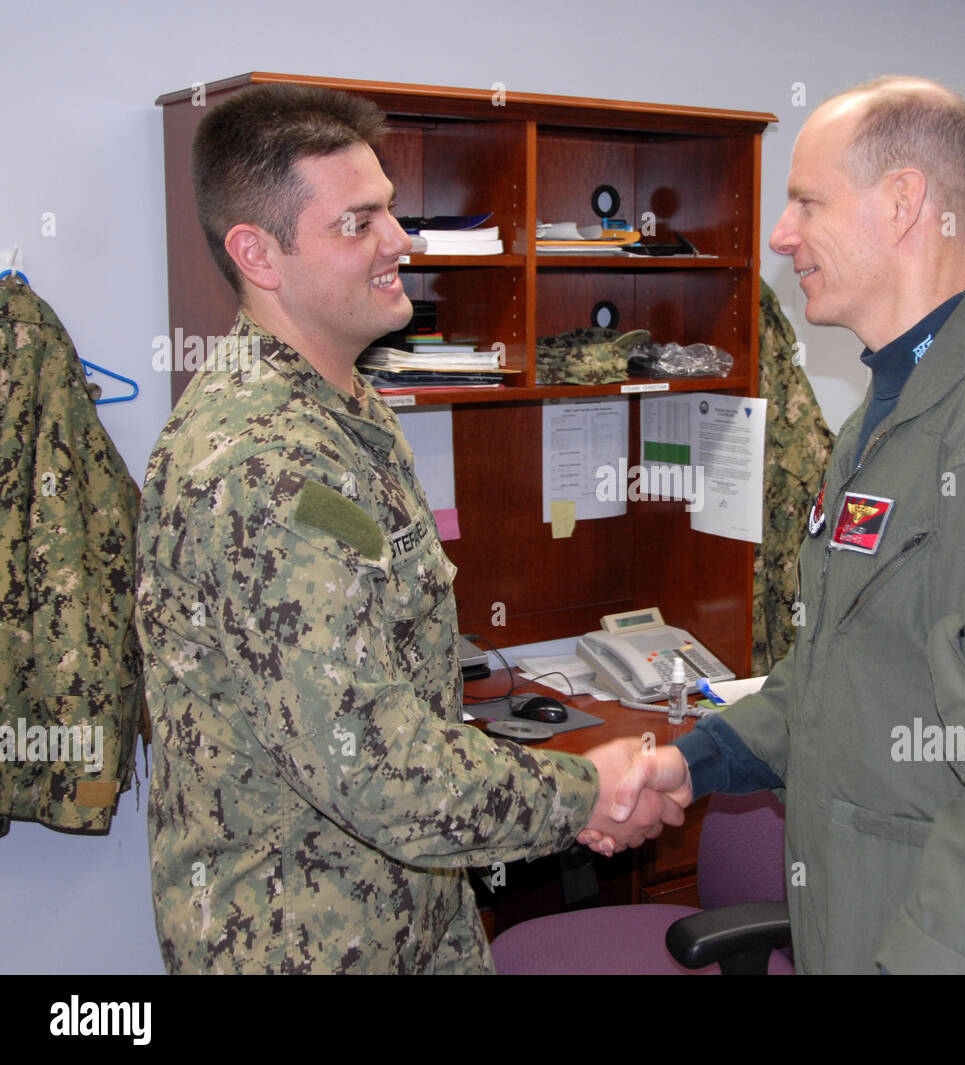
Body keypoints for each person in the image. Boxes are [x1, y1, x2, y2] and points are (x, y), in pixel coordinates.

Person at [582, 76, 965, 973]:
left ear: (904, 203)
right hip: (857, 921)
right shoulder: (883, 418)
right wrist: (700, 761)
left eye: (807, 202)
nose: (782, 235)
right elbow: (848, 672)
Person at [135, 84, 679, 974]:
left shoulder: (347, 404)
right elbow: (376, 765)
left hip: (413, 916)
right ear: (257, 254)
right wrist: (588, 790)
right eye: (359, 222)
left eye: (389, 209)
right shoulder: (260, 463)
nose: (401, 241)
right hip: (305, 944)